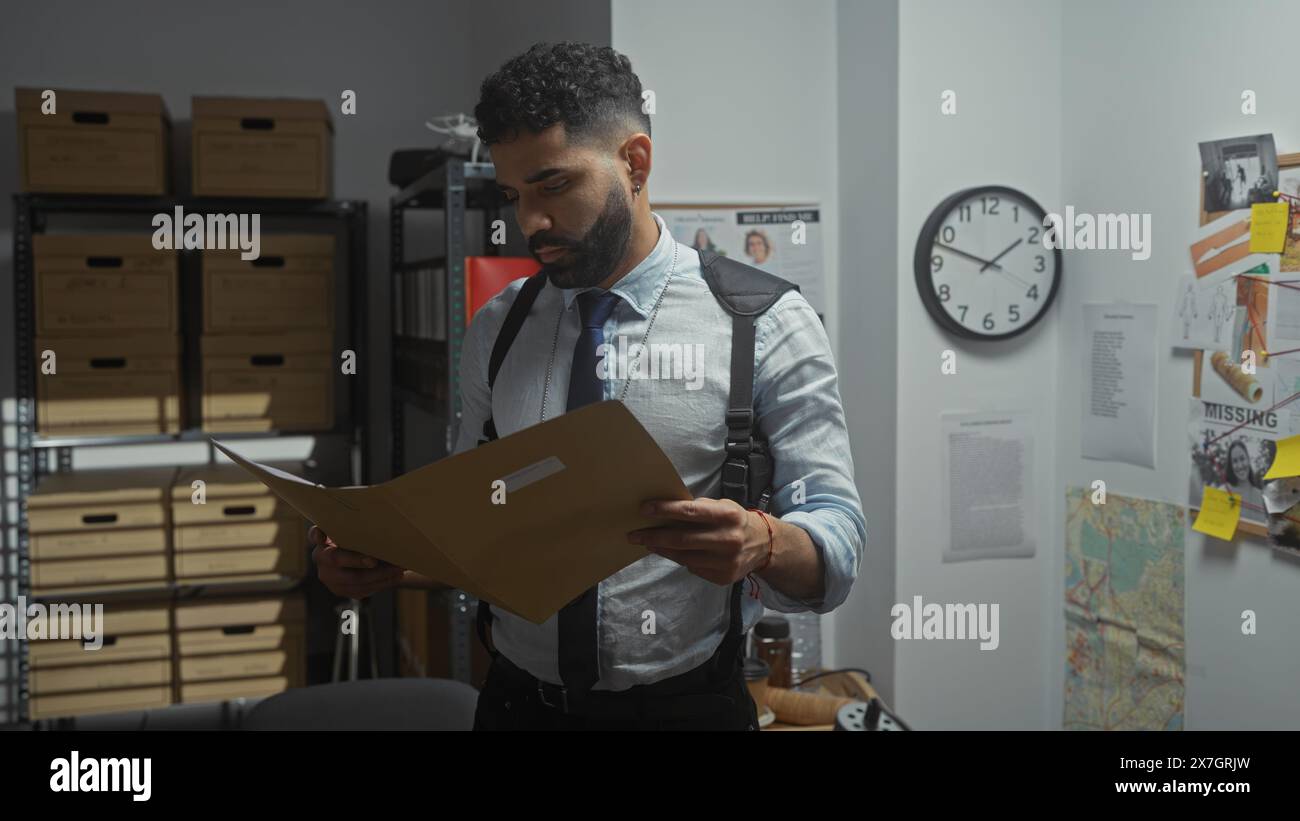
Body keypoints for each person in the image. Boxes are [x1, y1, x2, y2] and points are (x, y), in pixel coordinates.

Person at [311, 41, 865, 731]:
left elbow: (838, 544)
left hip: (687, 711)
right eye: (514, 195)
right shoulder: (497, 327)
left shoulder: (765, 322)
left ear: (635, 163)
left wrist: (764, 541)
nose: (530, 222)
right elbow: (476, 524)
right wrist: (390, 559)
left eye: (553, 185)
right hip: (516, 707)